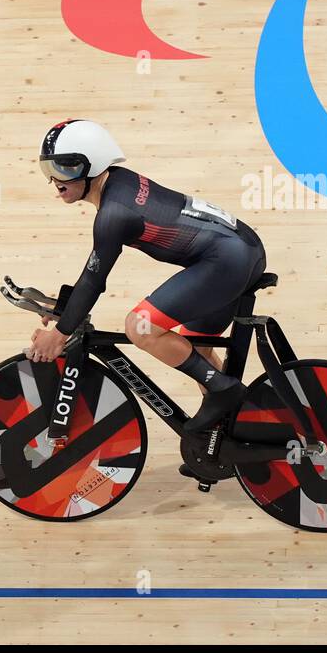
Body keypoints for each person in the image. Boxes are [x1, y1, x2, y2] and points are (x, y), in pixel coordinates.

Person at [25, 119, 267, 433]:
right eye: (49, 171)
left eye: (66, 169)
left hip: (226, 261)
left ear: (95, 165)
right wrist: (66, 310)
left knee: (139, 327)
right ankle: (227, 436)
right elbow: (92, 272)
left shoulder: (114, 214)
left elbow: (94, 281)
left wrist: (59, 335)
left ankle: (225, 391)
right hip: (243, 249)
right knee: (195, 346)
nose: (56, 182)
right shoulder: (120, 183)